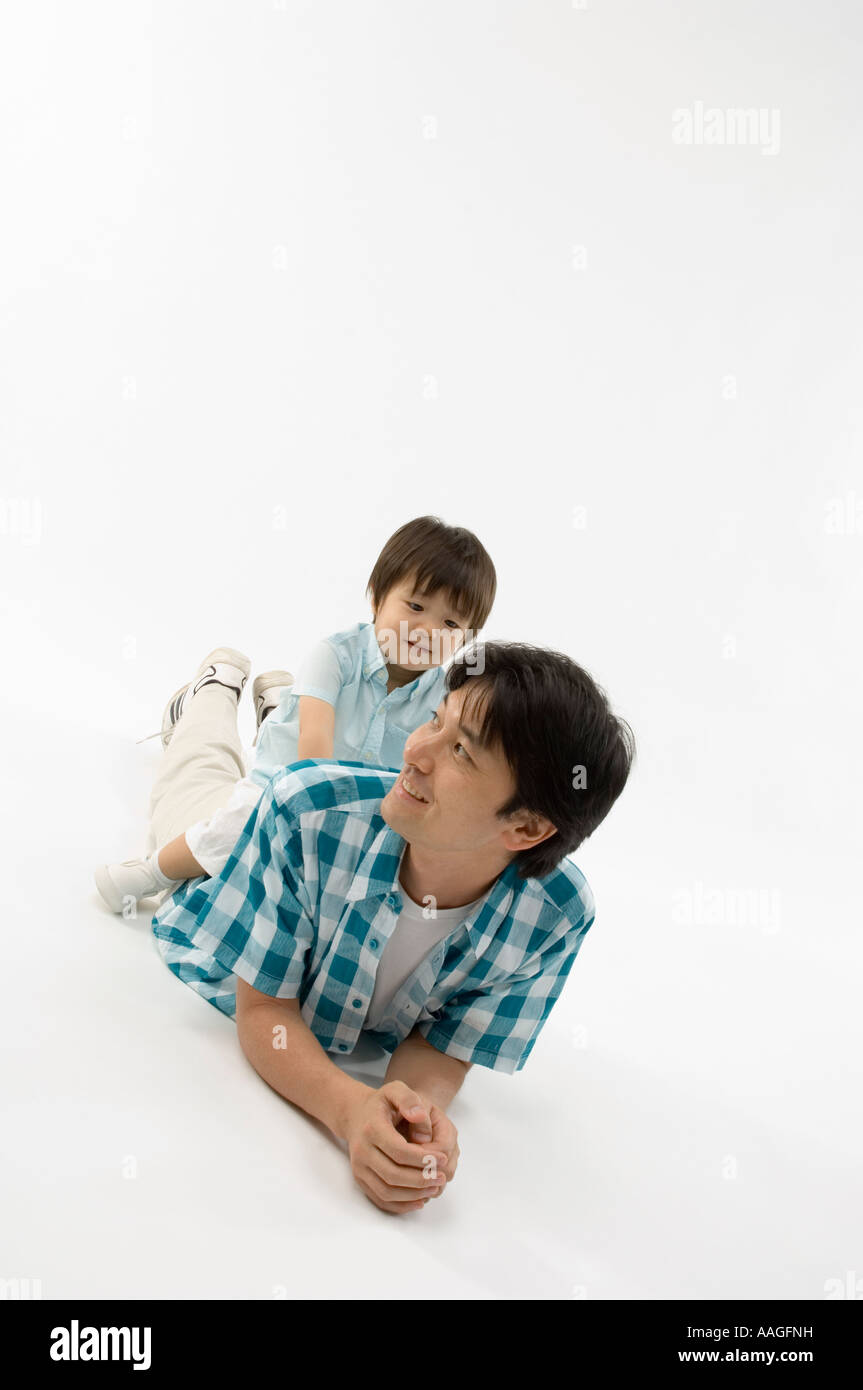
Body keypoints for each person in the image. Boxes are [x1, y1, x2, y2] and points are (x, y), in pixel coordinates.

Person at [147, 639, 635, 1215]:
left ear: (527, 829)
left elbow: (442, 1043)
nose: (416, 751)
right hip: (220, 870)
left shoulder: (554, 918)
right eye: (434, 719)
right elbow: (266, 1012)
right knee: (203, 778)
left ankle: (282, 709)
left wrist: (412, 1115)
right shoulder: (304, 811)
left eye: (459, 751)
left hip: (314, 797)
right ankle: (211, 695)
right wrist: (349, 1111)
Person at [94, 515, 496, 911]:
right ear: (376, 596)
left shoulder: (444, 698)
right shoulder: (336, 655)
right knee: (240, 824)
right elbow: (312, 757)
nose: (427, 630)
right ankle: (152, 873)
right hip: (291, 779)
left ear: (467, 637)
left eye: (449, 622)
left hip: (368, 810)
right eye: (415, 606)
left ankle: (277, 702)